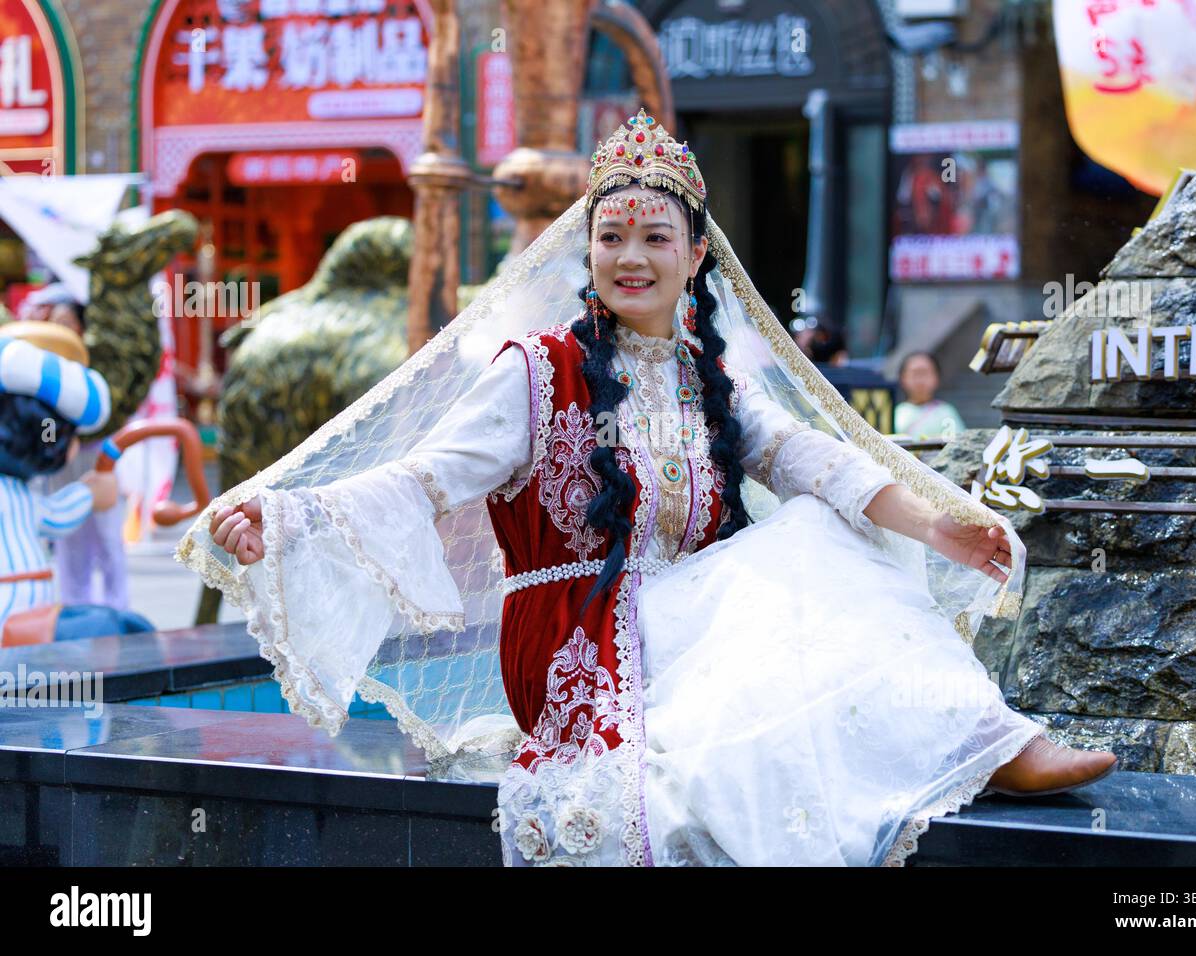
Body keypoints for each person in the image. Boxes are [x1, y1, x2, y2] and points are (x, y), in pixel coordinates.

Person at [184, 109, 1116, 867]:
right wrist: (288, 514)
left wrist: (941, 527)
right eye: (611, 236)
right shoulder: (535, 372)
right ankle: (984, 748)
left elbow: (814, 460)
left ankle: (987, 745)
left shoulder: (710, 378)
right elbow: (425, 475)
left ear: (697, 255)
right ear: (585, 250)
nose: (631, 257)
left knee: (827, 535)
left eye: (655, 237)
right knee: (801, 580)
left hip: (698, 630)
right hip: (579, 641)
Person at [0, 322, 151, 643]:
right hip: (12, 620)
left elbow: (49, 515)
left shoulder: (21, 497)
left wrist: (89, 492)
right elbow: (52, 515)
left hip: (28, 616)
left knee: (113, 627)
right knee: (113, 630)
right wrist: (90, 492)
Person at [894, 350, 966, 441]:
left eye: (925, 373)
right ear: (902, 378)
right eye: (915, 373)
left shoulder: (946, 412)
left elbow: (957, 445)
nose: (920, 380)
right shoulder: (895, 413)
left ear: (936, 377)